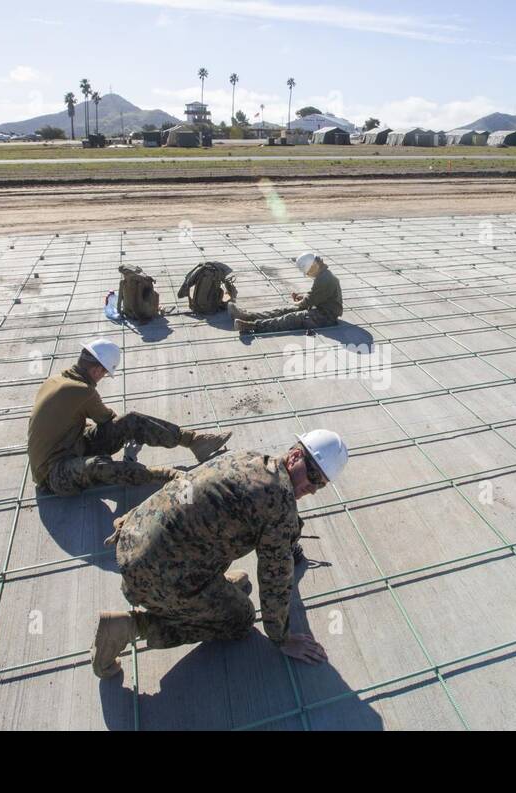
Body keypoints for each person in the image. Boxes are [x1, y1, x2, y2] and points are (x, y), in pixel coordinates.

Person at [90, 429, 350, 678]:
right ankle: (132, 627)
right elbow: (275, 581)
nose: (312, 488)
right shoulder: (278, 505)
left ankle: (210, 590)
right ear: (294, 457)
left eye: (321, 485)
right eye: (313, 477)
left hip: (133, 541)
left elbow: (184, 486)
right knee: (241, 619)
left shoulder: (248, 457)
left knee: (218, 540)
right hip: (158, 578)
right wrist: (283, 638)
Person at [27, 338, 232, 496]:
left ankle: (194, 442)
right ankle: (153, 474)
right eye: (104, 373)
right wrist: (126, 435)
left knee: (129, 421)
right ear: (97, 369)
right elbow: (107, 420)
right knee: (99, 465)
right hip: (52, 475)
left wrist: (125, 429)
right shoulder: (82, 390)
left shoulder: (56, 380)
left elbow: (111, 423)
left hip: (70, 446)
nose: (102, 378)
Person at [229, 251, 342, 334]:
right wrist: (302, 298)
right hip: (321, 310)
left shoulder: (325, 278)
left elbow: (308, 301)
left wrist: (299, 303)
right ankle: (248, 316)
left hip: (326, 317)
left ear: (312, 267)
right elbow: (315, 296)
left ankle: (253, 326)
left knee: (291, 317)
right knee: (284, 310)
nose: (309, 275)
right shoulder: (323, 276)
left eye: (308, 273)